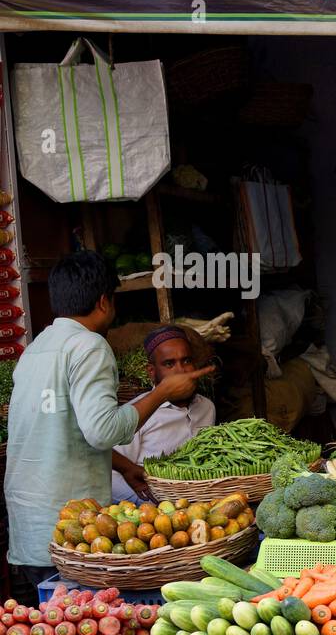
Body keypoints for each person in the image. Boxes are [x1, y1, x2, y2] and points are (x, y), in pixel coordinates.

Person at [4, 251, 213, 591]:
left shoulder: (36, 349)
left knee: (51, 630)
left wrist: (123, 465)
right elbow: (103, 431)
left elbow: (62, 428)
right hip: (70, 529)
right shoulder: (89, 346)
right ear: (104, 302)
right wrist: (162, 393)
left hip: (30, 527)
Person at [111, 326, 216, 504]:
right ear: (151, 372)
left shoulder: (207, 408)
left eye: (186, 361)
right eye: (169, 364)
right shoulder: (137, 414)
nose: (181, 371)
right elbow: (110, 468)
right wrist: (149, 505)